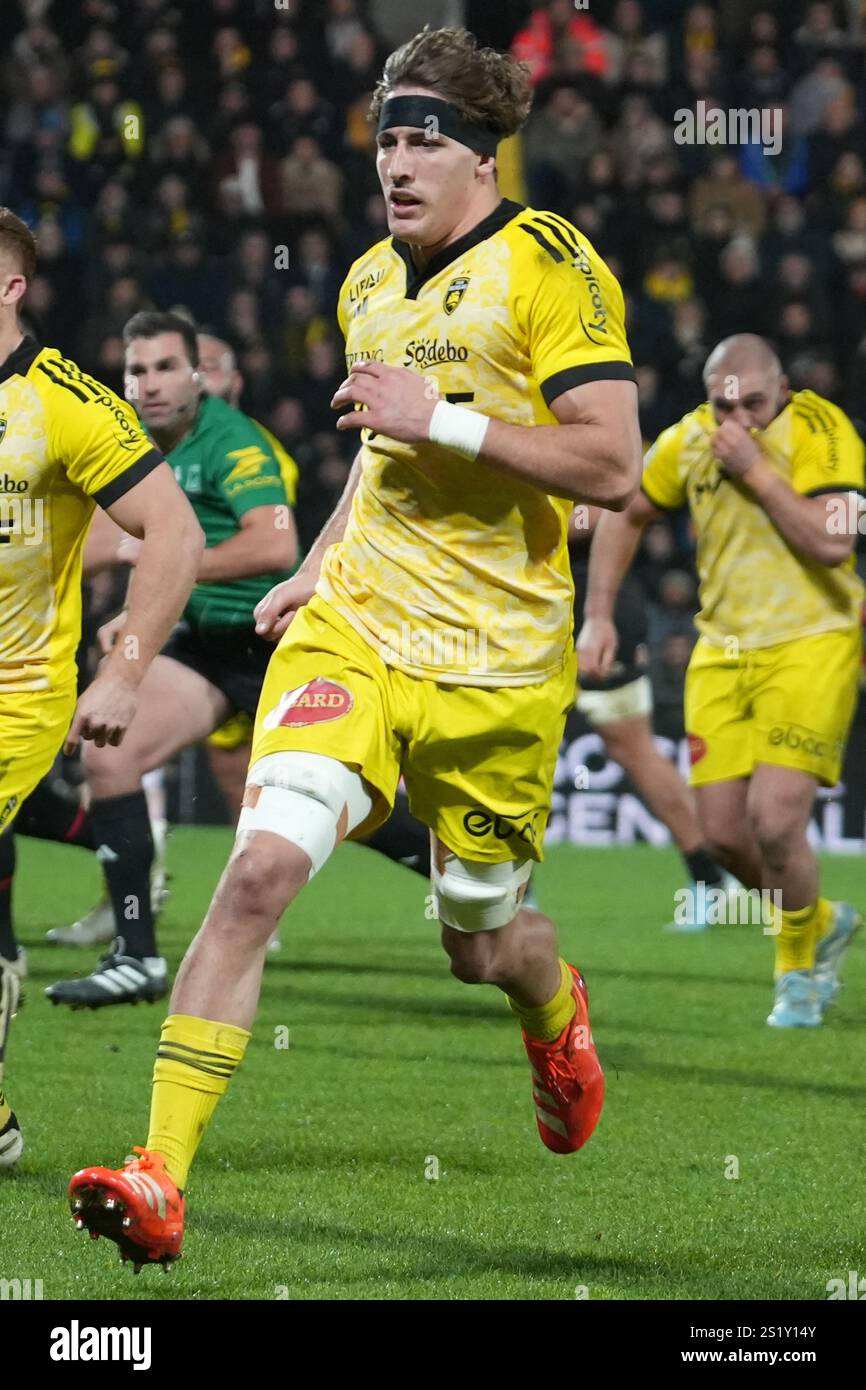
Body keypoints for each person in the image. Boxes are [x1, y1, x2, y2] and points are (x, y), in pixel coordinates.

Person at [69, 26, 641, 1268]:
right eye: (384, 134)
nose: (394, 159)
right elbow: (379, 456)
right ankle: (159, 1171)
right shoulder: (368, 281)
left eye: (420, 136)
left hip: (497, 662)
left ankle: (551, 1009)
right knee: (260, 868)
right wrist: (317, 566)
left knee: (477, 941)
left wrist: (443, 417)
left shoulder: (552, 264)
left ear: (481, 158)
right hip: (361, 628)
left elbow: (610, 460)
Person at [579, 333, 863, 1027]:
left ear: (784, 389)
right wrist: (599, 615)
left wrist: (758, 472)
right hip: (723, 651)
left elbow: (834, 540)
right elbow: (627, 510)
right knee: (726, 837)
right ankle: (819, 920)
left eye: (754, 406)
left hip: (812, 644)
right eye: (722, 407)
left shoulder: (824, 430)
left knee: (774, 818)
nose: (737, 422)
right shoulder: (689, 439)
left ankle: (796, 970)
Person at [0, 209, 203, 1168]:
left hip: (17, 690)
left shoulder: (66, 398)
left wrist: (124, 675)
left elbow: (174, 531)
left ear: (10, 286)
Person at [44, 311, 298, 1007]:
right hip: (200, 648)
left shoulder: (234, 440)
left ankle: (465, 874)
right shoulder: (132, 446)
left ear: (198, 376)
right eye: (136, 371)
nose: (149, 385)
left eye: (164, 368)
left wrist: (167, 569)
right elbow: (97, 543)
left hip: (271, 643)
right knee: (109, 753)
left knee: (354, 813)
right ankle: (136, 952)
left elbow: (276, 549)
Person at [571, 507, 728, 931]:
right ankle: (512, 893)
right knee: (515, 746)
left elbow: (608, 512)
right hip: (523, 611)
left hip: (594, 611)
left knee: (633, 749)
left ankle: (709, 877)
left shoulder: (585, 441)